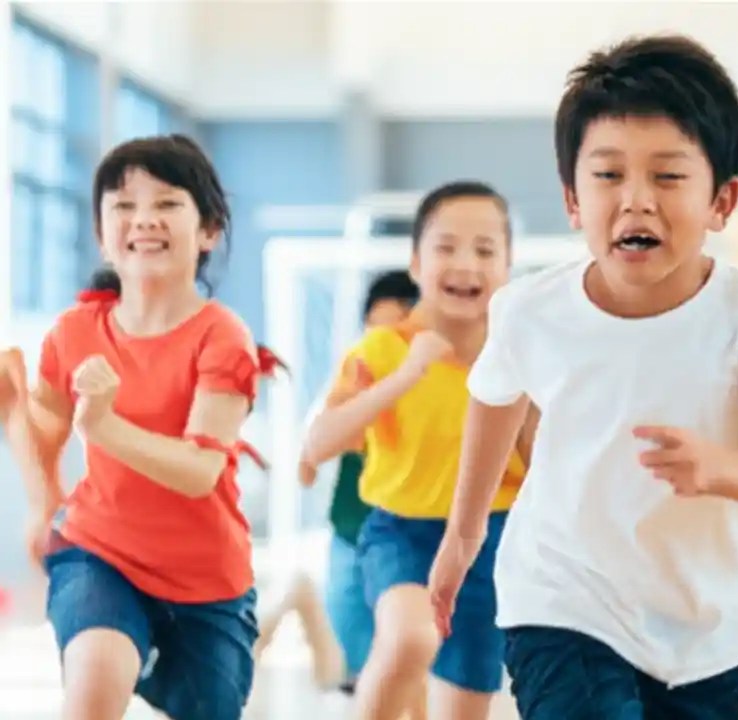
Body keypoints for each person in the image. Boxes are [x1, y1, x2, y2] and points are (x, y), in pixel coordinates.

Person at [426, 34, 738, 719]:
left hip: (702, 637)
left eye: (667, 177)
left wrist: (721, 469)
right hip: (559, 600)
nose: (636, 201)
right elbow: (494, 397)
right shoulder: (529, 310)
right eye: (607, 176)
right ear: (573, 201)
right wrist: (464, 534)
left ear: (723, 200)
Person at [7, 134, 279, 720]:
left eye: (166, 203)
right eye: (124, 206)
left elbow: (199, 471)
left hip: (207, 580)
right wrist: (14, 416)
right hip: (100, 553)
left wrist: (103, 425)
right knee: (94, 682)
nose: (143, 219)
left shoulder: (222, 336)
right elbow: (48, 436)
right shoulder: (73, 332)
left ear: (208, 231)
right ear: (104, 234)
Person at [303, 181, 535, 720]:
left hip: (493, 538)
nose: (466, 265)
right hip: (403, 531)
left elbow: (541, 455)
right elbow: (321, 442)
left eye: (484, 250)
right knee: (410, 637)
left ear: (506, 265)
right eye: (447, 247)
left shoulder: (518, 355)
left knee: (466, 704)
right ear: (415, 262)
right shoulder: (381, 349)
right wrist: (407, 374)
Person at [254, 269, 421, 696]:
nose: (382, 340)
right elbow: (307, 468)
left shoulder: (428, 387)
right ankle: (298, 597)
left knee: (402, 662)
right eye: (375, 328)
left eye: (395, 329)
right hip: (351, 533)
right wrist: (357, 410)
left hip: (410, 538)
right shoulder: (350, 383)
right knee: (351, 669)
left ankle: (299, 597)